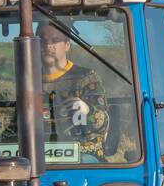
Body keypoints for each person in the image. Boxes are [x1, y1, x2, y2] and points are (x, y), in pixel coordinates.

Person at [36, 20, 110, 158]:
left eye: (55, 40)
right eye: (43, 40)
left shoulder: (87, 78)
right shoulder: (30, 83)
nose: (48, 45)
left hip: (83, 156)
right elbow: (15, 127)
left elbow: (103, 122)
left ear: (67, 45)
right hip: (40, 157)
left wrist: (88, 111)